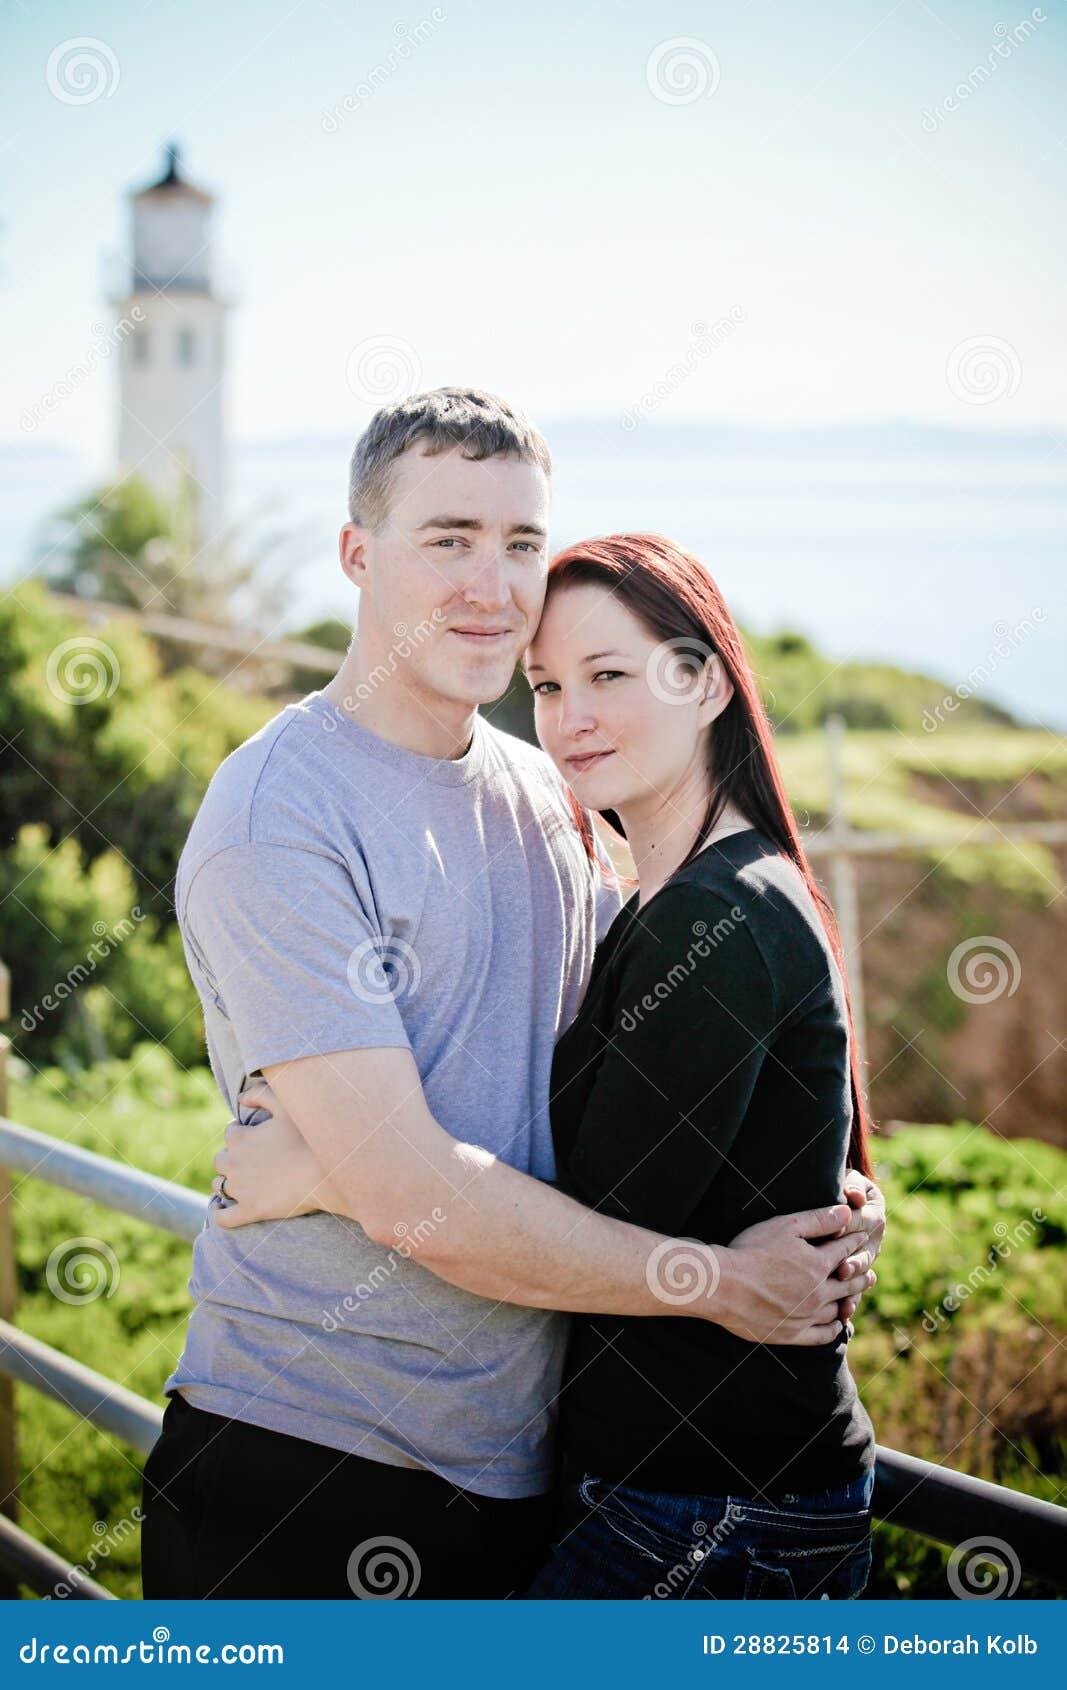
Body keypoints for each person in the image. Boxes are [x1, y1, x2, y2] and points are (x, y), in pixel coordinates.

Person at [140, 388, 883, 1601]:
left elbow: (644, 1074)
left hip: (527, 1473)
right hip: (311, 1458)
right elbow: (411, 1197)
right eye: (448, 539)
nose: (494, 584)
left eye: (521, 542)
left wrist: (827, 1184)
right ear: (354, 554)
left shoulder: (550, 795)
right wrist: (717, 1279)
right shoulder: (281, 817)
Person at [519, 534, 878, 1598]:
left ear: (706, 681)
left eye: (607, 676)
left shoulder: (714, 917)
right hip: (692, 1495)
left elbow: (586, 1230)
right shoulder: (678, 898)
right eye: (544, 685)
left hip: (706, 1514)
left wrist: (335, 1174)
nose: (567, 715)